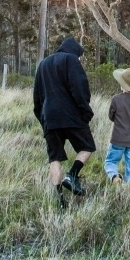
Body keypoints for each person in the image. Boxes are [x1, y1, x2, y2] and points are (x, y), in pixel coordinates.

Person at [33, 36, 95, 208]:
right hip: (71, 115)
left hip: (49, 118)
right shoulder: (71, 59)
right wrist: (85, 111)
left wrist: (43, 120)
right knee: (87, 146)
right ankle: (72, 175)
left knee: (55, 158)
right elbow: (79, 87)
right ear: (75, 52)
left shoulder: (43, 64)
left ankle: (60, 201)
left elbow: (36, 98)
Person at [105, 67, 130, 185]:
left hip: (118, 139)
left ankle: (115, 176)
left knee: (110, 162)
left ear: (123, 85)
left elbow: (111, 117)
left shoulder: (116, 99)